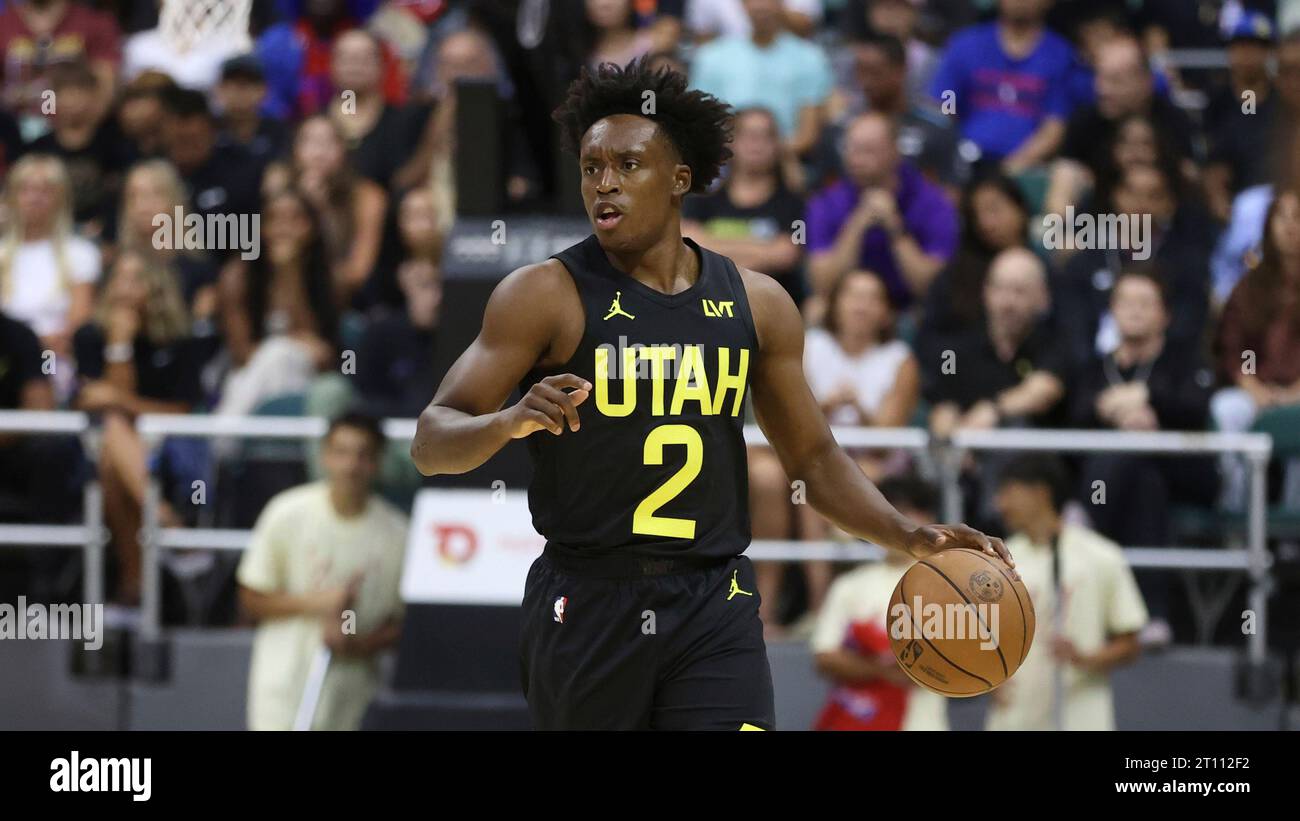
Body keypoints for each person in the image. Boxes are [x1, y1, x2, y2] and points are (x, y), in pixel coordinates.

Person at [410, 57, 1013, 731]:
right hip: (589, 597)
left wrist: (905, 534)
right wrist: (507, 423)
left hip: (713, 598)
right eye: (591, 167)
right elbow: (432, 441)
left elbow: (813, 458)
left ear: (680, 179)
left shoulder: (758, 303)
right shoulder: (542, 293)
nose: (604, 183)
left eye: (628, 165)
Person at [238, 412, 408, 731]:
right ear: (325, 456)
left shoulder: (399, 533)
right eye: (341, 452)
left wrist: (358, 645)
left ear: (377, 462)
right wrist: (321, 602)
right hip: (283, 691)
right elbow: (251, 599)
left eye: (362, 455)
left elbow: (404, 625)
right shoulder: (286, 512)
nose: (350, 466)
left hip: (355, 700)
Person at [72, 250, 205, 605]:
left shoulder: (181, 339)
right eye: (120, 279)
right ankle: (165, 520)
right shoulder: (90, 335)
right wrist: (119, 345)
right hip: (98, 443)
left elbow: (180, 411)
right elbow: (87, 401)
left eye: (136, 279)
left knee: (113, 452)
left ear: (157, 286)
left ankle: (132, 590)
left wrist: (121, 402)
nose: (126, 289)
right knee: (112, 438)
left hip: (168, 445)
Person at [988, 454, 1146, 731]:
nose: (1000, 504)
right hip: (1011, 719)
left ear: (1040, 492)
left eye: (1008, 492)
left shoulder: (1101, 556)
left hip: (1079, 719)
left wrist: (1083, 658)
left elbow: (1131, 644)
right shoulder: (998, 560)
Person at [811, 475, 949, 731]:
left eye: (906, 512)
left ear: (928, 518)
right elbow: (825, 657)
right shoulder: (850, 585)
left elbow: (955, 660)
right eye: (889, 513)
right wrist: (883, 669)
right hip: (859, 719)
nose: (898, 524)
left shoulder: (949, 586)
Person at [806, 111, 958, 316]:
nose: (857, 160)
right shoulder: (826, 202)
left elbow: (931, 288)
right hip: (850, 307)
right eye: (852, 149)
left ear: (894, 152)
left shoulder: (933, 202)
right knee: (816, 309)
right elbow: (823, 286)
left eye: (868, 151)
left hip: (908, 308)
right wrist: (857, 225)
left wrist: (895, 229)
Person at [922, 247, 1067, 438]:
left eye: (1019, 291)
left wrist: (994, 410)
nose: (1007, 302)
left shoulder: (1055, 342)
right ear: (986, 292)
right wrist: (951, 437)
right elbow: (944, 405)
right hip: (970, 459)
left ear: (1042, 297)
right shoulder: (953, 353)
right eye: (1000, 289)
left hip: (1033, 457)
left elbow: (1043, 391)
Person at [928, 0, 1076, 172]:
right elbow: (944, 105)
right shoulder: (964, 45)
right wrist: (953, 149)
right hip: (963, 162)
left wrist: (1009, 169)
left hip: (1023, 172)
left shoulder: (1060, 55)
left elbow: (1054, 126)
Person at [681, 107, 806, 307]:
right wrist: (763, 248)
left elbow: (786, 254)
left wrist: (713, 248)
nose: (756, 143)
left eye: (765, 136)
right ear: (732, 143)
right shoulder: (701, 200)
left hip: (770, 308)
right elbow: (688, 246)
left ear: (777, 145)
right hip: (707, 307)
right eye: (748, 135)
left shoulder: (794, 203)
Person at [689, 0, 834, 160]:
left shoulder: (810, 57)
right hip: (727, 162)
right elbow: (705, 124)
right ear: (742, 4)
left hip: (789, 161)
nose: (761, 5)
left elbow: (808, 134)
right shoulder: (711, 57)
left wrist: (765, 154)